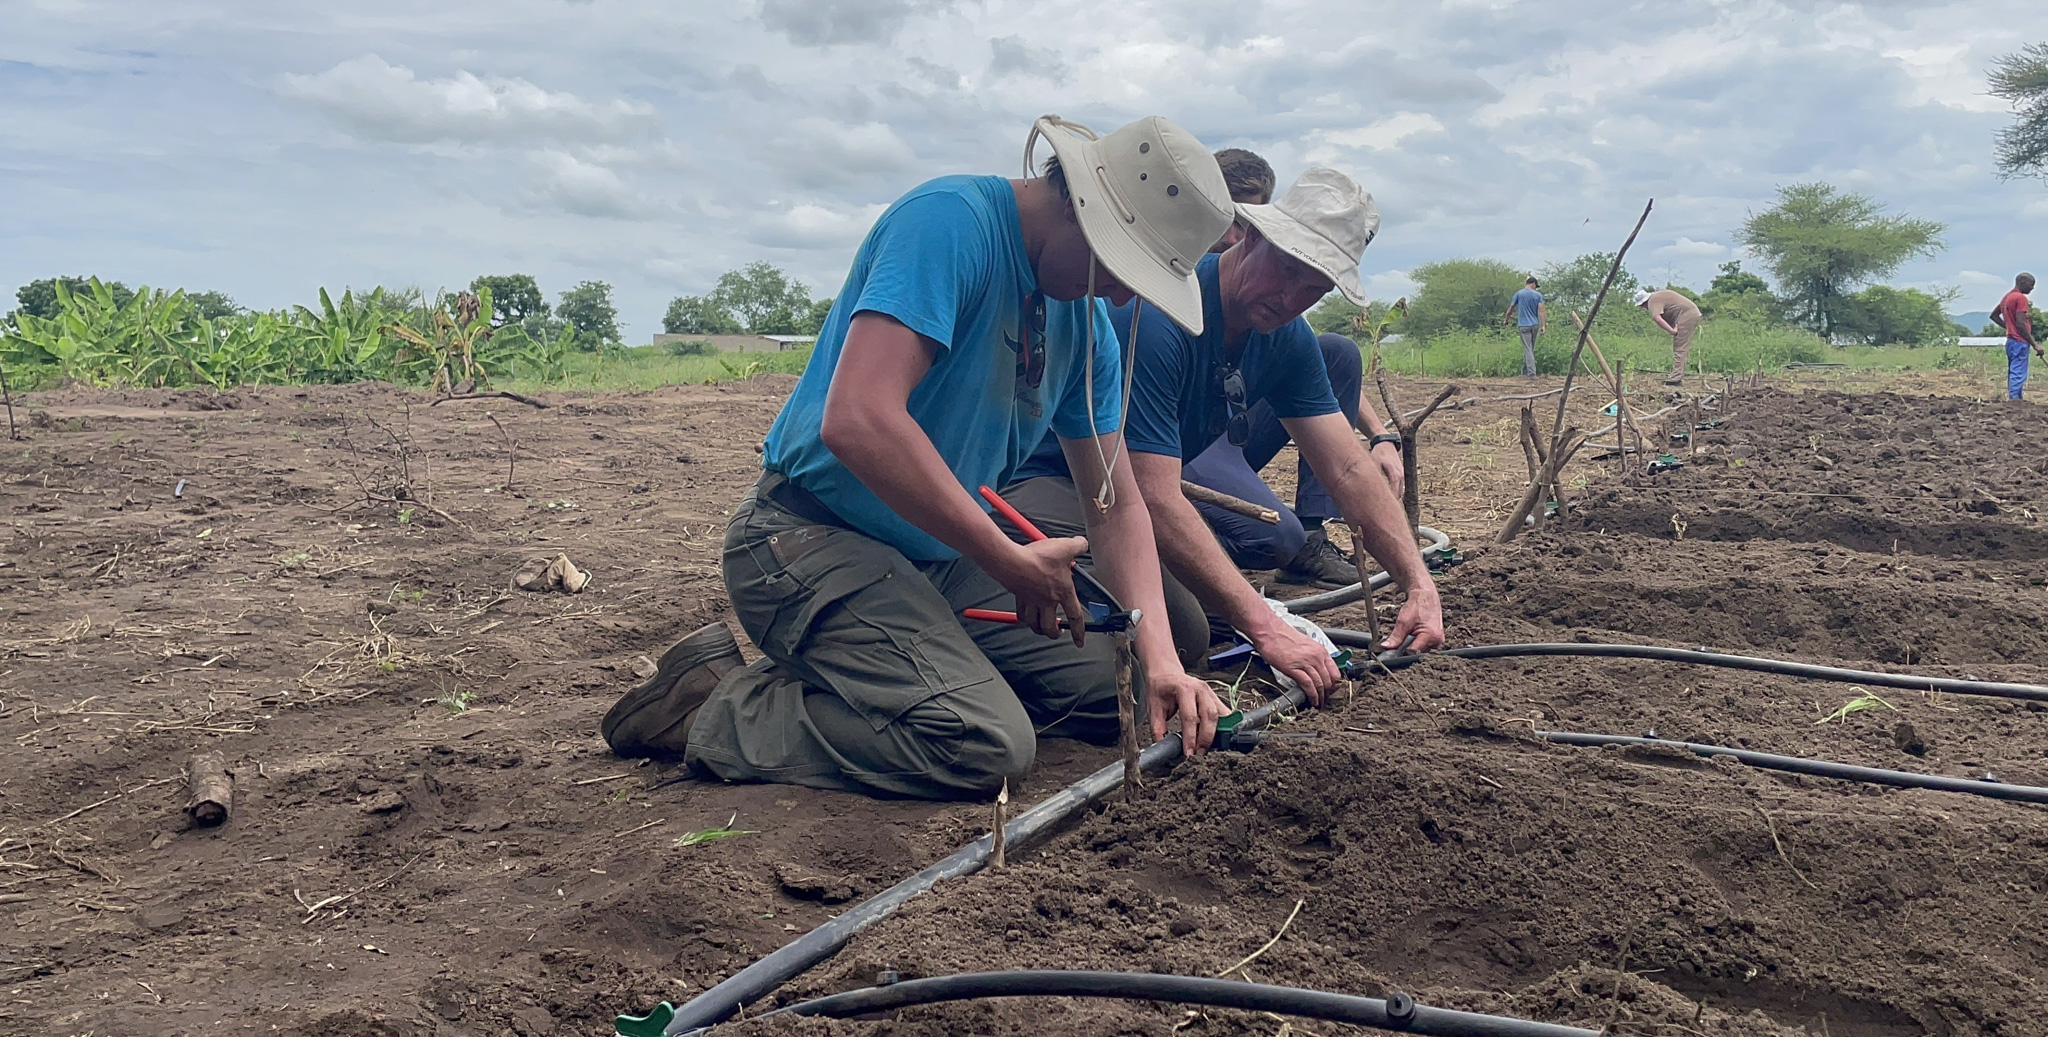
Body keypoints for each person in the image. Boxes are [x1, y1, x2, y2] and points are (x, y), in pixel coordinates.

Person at [600, 115, 1238, 801]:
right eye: (1121, 268)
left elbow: (1115, 507)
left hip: (936, 561)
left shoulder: (1083, 326)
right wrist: (1001, 556)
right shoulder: (949, 225)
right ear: (1082, 208)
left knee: (1141, 679)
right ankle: (712, 704)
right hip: (806, 539)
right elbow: (859, 420)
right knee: (985, 742)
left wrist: (1165, 659)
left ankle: (909, 677)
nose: (1121, 296)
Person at [1003, 167, 1446, 701]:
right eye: (1286, 271)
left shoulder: (1286, 336)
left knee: (1200, 621)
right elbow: (1152, 496)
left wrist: (1419, 584)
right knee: (1179, 639)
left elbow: (1348, 468)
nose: (1290, 298)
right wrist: (1266, 627)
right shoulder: (1162, 316)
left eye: (1314, 288)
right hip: (1051, 484)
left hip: (1125, 503)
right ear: (1251, 237)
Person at [1199, 148, 1404, 582]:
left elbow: (1309, 377)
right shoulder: (1174, 281)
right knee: (1272, 538)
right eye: (1231, 219)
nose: (1231, 234)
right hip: (1164, 443)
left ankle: (1312, 531)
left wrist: (1380, 435)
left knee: (1338, 352)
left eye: (1314, 287)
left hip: (1221, 426)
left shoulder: (1275, 303)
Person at [1633, 287, 1702, 385]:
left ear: (1644, 302)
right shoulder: (1658, 296)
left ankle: (1675, 379)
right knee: (1680, 347)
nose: (1643, 308)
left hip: (1687, 315)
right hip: (1689, 313)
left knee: (1680, 347)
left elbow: (1658, 319)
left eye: (1642, 305)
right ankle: (1676, 374)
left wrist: (1672, 331)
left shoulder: (1653, 301)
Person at [1997, 272, 2040, 401]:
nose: (2032, 288)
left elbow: (1994, 315)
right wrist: (2034, 344)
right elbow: (2021, 324)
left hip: (2011, 341)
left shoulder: (2007, 297)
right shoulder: (2020, 298)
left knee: (2014, 371)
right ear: (2022, 283)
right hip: (2020, 341)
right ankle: (2014, 401)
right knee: (2018, 373)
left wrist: (2009, 327)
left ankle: (2017, 400)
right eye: (2030, 285)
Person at [1506, 277, 1545, 377]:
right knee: (1530, 349)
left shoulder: (1519, 294)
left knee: (1528, 349)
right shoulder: (1538, 295)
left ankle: (1531, 374)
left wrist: (1507, 320)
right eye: (1536, 286)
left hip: (1523, 325)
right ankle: (1525, 372)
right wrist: (1543, 325)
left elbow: (1511, 309)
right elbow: (1541, 311)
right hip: (1535, 325)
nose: (1536, 288)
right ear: (1533, 284)